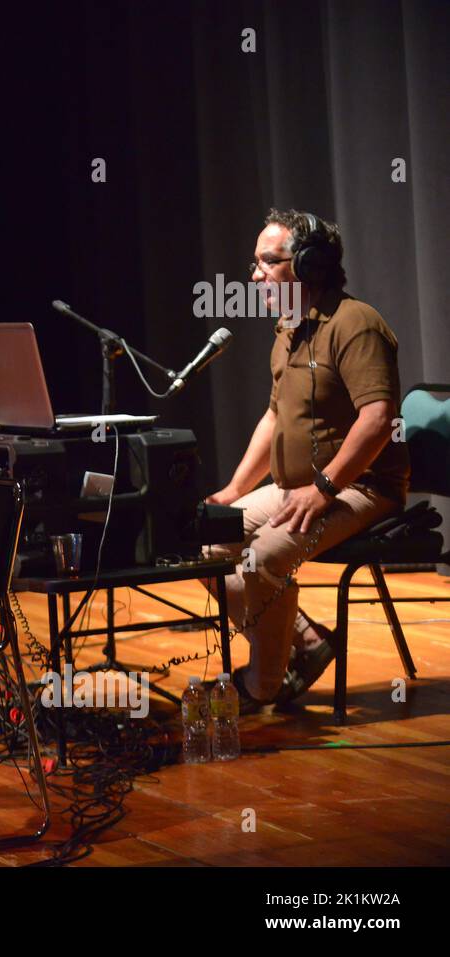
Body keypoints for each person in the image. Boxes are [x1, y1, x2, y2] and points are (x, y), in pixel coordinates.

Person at [205, 209, 410, 711]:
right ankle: (309, 642)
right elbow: (273, 417)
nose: (254, 276)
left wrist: (323, 489)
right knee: (207, 541)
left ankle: (262, 684)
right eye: (254, 264)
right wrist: (232, 493)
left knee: (265, 557)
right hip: (297, 485)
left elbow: (378, 419)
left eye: (267, 263)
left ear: (308, 265)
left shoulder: (356, 324)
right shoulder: (288, 329)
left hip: (362, 487)